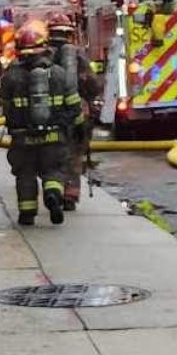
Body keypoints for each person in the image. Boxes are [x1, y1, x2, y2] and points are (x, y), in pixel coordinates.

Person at [0, 20, 78, 226]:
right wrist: (68, 125)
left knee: (25, 175)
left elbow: (1, 100)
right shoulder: (59, 73)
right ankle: (53, 195)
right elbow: (74, 106)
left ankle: (27, 214)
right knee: (53, 171)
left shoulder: (11, 75)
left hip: (22, 137)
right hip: (53, 136)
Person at [48, 20, 98, 211]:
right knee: (75, 154)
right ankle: (70, 194)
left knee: (52, 154)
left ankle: (54, 189)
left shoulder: (40, 55)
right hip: (78, 112)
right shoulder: (78, 56)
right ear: (69, 35)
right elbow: (92, 84)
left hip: (51, 115)